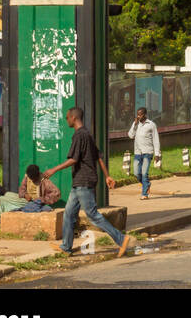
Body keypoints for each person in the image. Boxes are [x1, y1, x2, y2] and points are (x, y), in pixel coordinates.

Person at [43, 106, 135, 258]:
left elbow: (73, 159)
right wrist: (107, 176)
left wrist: (54, 170)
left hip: (83, 181)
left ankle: (121, 239)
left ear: (73, 118)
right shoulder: (88, 135)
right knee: (68, 214)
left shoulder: (79, 136)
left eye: (67, 117)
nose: (66, 120)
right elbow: (98, 157)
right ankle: (66, 246)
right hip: (79, 182)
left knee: (92, 215)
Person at [127, 107, 160, 199]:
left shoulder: (151, 125)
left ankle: (144, 194)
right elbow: (130, 135)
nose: (138, 116)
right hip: (138, 152)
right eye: (137, 114)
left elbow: (156, 140)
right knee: (136, 173)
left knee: (144, 173)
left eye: (140, 114)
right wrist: (135, 125)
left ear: (145, 115)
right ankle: (147, 184)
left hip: (147, 152)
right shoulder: (135, 124)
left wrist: (157, 154)